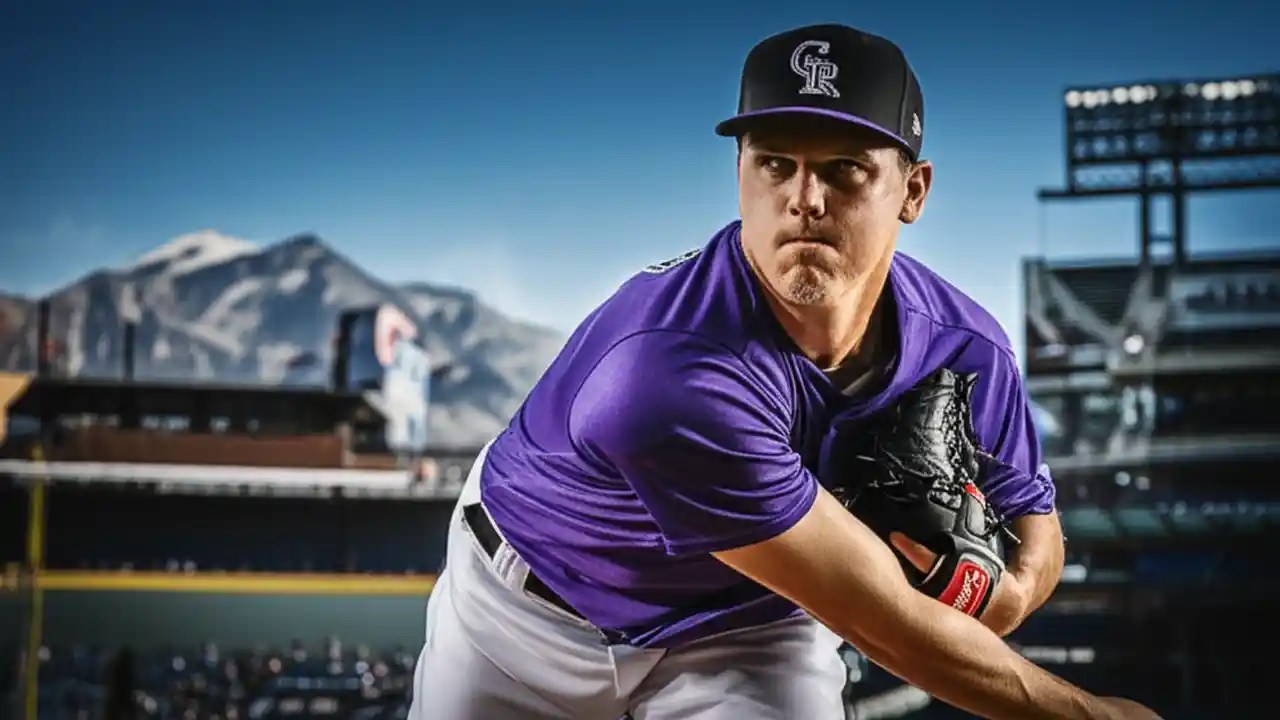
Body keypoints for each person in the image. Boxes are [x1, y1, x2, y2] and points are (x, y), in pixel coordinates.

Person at [407, 22, 1160, 720]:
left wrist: (1012, 593)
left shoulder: (967, 351)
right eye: (775, 164)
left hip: (746, 625)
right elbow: (886, 624)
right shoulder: (668, 372)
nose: (804, 200)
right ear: (739, 173)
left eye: (844, 169)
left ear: (913, 192)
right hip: (529, 617)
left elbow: (1034, 522)